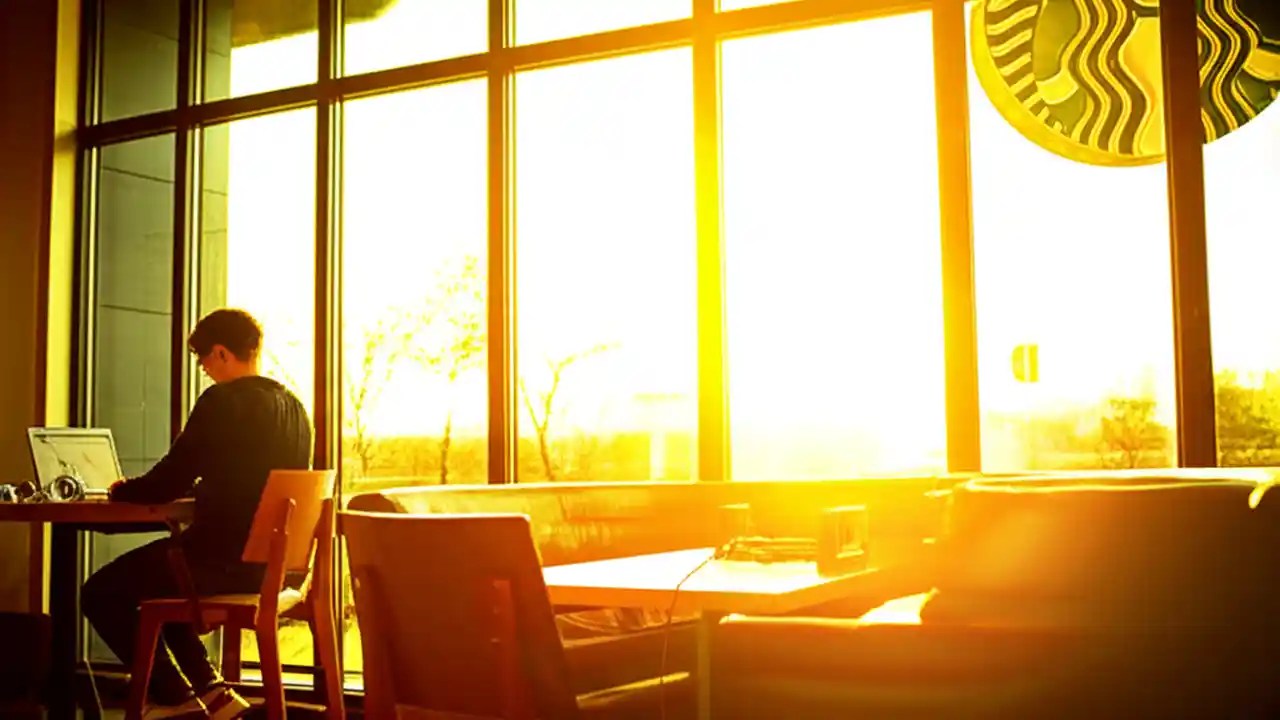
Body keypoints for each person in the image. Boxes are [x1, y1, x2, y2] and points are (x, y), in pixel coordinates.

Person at [82, 309, 312, 719]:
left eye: (203, 359)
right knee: (164, 578)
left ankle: (174, 697)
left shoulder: (223, 401)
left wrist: (121, 489)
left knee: (99, 592)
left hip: (219, 563)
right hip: (267, 568)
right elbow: (250, 481)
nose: (204, 369)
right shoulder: (295, 409)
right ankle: (210, 691)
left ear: (221, 353)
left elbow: (169, 479)